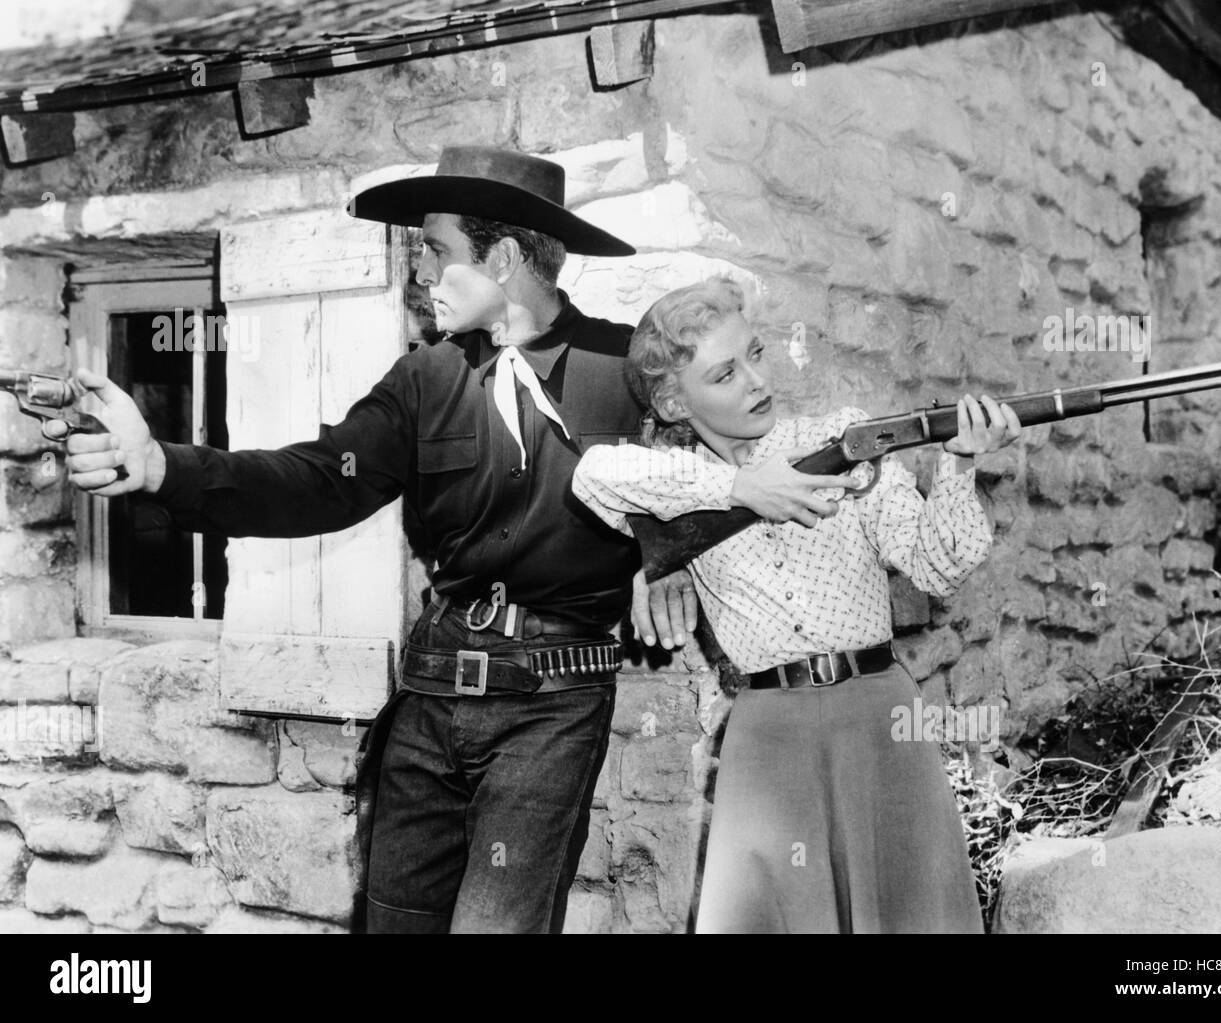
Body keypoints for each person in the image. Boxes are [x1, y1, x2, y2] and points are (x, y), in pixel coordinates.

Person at [47, 150, 839, 933]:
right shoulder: (424, 378)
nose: (420, 271)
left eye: (436, 250)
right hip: (429, 697)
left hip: (551, 703)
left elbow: (726, 456)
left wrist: (668, 554)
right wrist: (159, 467)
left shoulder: (622, 367)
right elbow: (322, 478)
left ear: (502, 256)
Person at [571, 277, 1024, 933]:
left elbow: (937, 565)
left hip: (879, 718)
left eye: (756, 354)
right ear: (674, 400)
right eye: (726, 373)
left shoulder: (839, 438)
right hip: (769, 733)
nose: (756, 380)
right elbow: (593, 477)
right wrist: (740, 486)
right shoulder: (682, 484)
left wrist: (960, 465)